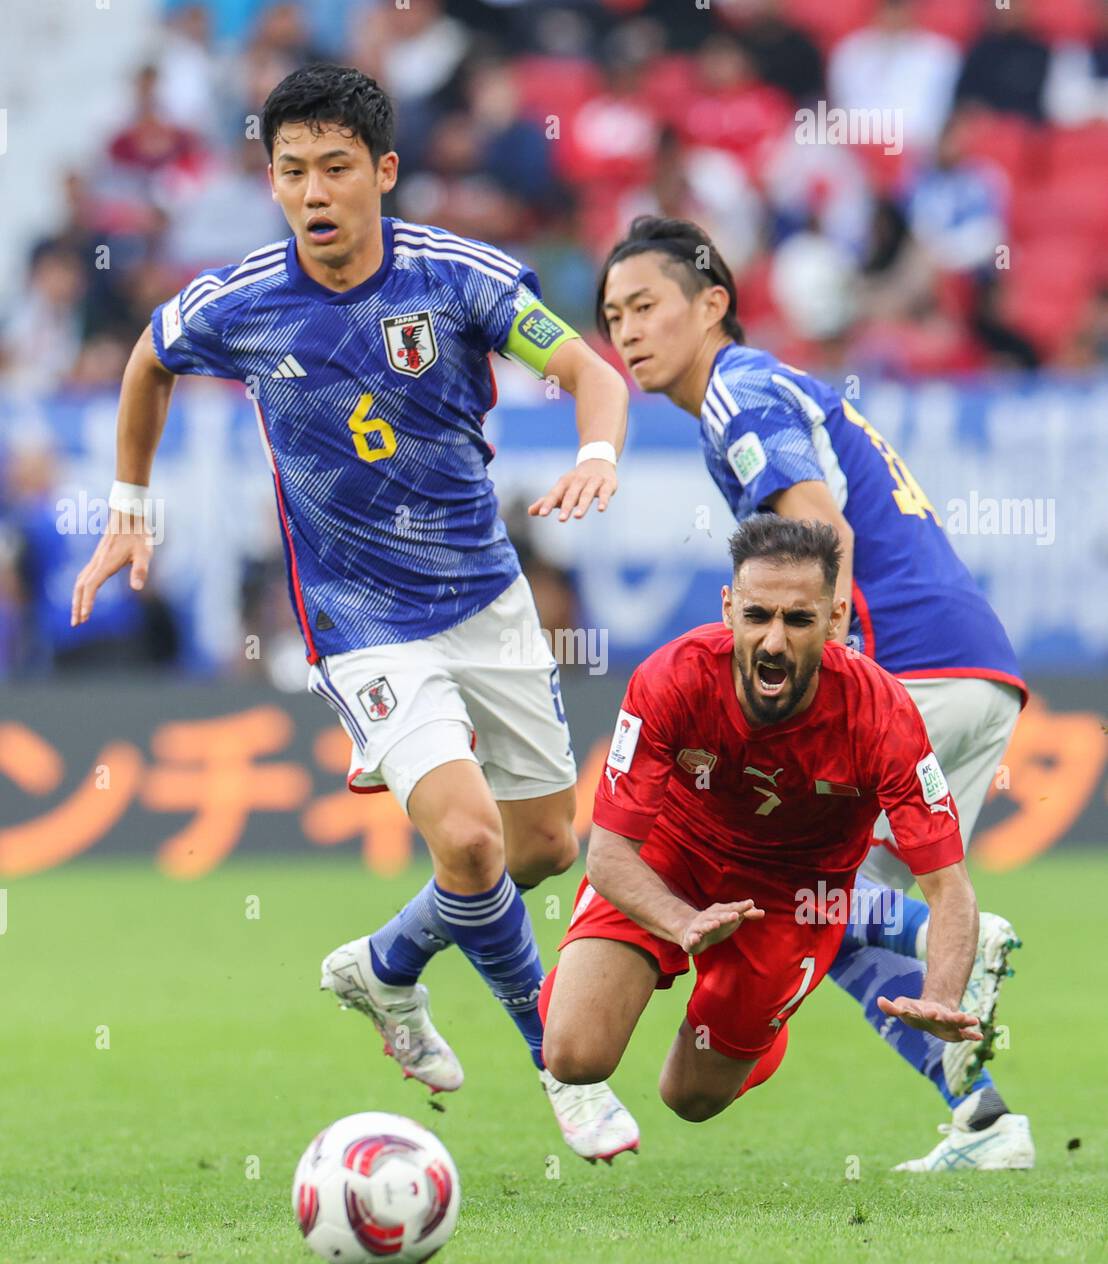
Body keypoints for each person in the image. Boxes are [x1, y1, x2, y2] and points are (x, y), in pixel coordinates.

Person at [70, 63, 638, 1163]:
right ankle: (557, 1067)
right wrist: (129, 506)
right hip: (359, 619)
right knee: (468, 841)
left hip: (486, 598)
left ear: (382, 171)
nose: (314, 190)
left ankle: (382, 965)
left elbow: (588, 371)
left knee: (539, 850)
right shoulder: (238, 301)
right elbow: (148, 359)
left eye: (336, 167)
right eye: (291, 171)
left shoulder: (455, 280)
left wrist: (597, 451)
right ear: (271, 180)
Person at [596, 216, 1033, 1171]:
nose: (625, 331)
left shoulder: (738, 395)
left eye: (646, 305)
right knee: (830, 926)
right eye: (611, 314)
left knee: (813, 901)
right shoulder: (772, 387)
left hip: (905, 669)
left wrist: (833, 690)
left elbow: (819, 528)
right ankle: (984, 1119)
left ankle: (952, 932)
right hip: (972, 668)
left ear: (713, 304)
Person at [542, 516, 989, 1132]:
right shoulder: (671, 678)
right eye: (758, 616)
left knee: (689, 1099)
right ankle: (585, 983)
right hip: (670, 857)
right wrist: (681, 921)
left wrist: (940, 995)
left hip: (790, 897)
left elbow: (949, 885)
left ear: (834, 621)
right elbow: (610, 853)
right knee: (573, 1056)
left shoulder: (882, 714)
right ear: (729, 609)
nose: (774, 642)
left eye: (798, 620)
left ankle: (759, 1036)